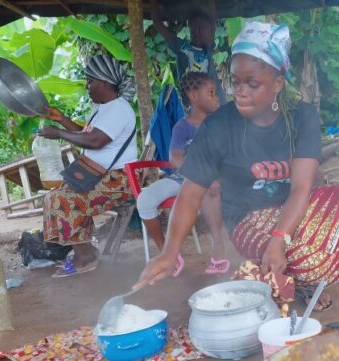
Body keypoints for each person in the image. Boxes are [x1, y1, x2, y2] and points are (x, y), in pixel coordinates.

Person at [134, 21, 339, 309]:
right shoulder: (218, 126)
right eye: (234, 81)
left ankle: (287, 277)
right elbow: (191, 193)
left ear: (278, 84)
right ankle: (287, 279)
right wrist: (169, 252)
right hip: (247, 218)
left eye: (252, 84)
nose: (239, 91)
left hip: (295, 208)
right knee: (306, 257)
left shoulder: (302, 117)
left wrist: (280, 237)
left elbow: (302, 187)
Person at [38, 55, 138, 277]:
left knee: (62, 200)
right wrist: (62, 119)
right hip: (100, 177)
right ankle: (85, 250)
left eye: (90, 81)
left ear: (103, 82)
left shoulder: (119, 110)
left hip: (118, 182)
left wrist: (58, 133)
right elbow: (86, 134)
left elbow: (95, 141)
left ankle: (85, 257)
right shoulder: (103, 109)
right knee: (57, 196)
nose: (87, 86)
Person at [136, 72, 229, 276]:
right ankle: (168, 252)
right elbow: (175, 157)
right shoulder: (183, 127)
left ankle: (219, 247)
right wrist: (197, 173)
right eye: (211, 93)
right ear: (194, 96)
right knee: (145, 200)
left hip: (217, 179)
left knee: (209, 191)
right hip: (184, 177)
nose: (217, 98)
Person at [152, 3, 226, 104]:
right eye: (198, 28)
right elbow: (158, 24)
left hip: (216, 105)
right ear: (194, 30)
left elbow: (213, 21)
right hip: (193, 108)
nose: (211, 31)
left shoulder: (207, 48)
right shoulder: (182, 48)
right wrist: (153, 4)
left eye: (206, 28)